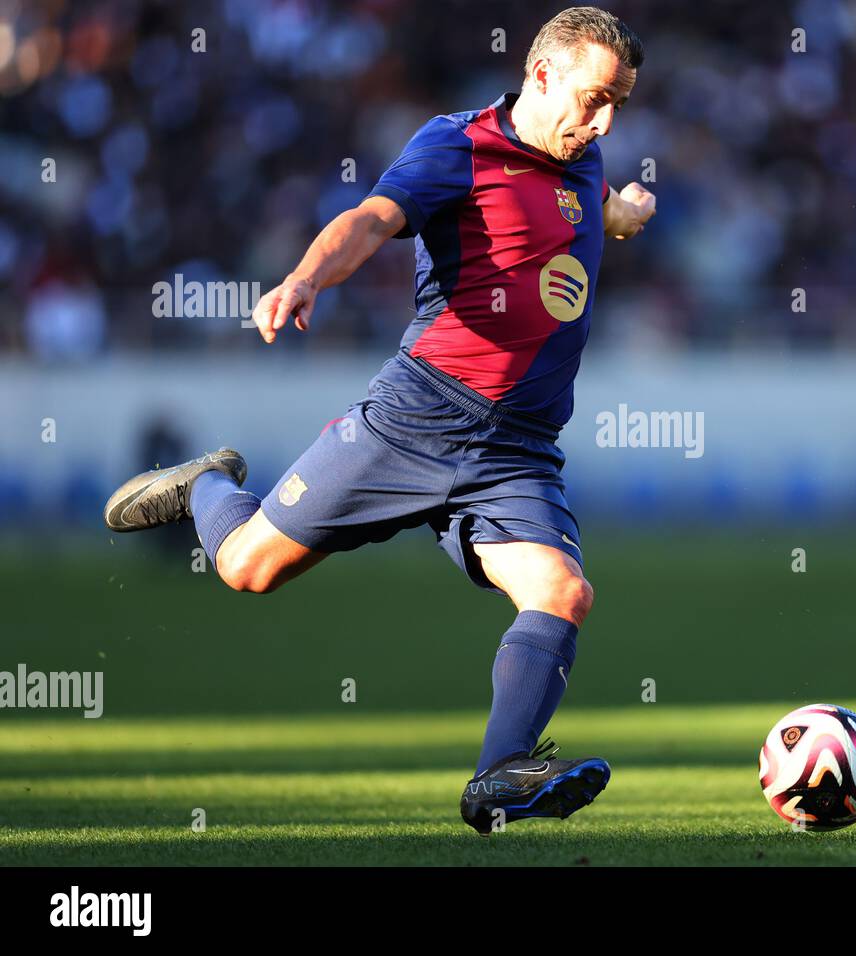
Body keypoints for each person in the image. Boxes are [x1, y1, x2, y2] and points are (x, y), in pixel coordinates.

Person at [103, 6, 656, 831]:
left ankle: (499, 772)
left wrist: (622, 213)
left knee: (563, 590)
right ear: (542, 76)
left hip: (517, 450)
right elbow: (372, 219)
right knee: (248, 570)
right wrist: (304, 279)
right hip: (417, 419)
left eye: (618, 104)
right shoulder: (457, 146)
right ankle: (208, 483)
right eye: (594, 98)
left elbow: (588, 206)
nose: (605, 119)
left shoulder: (585, 157)